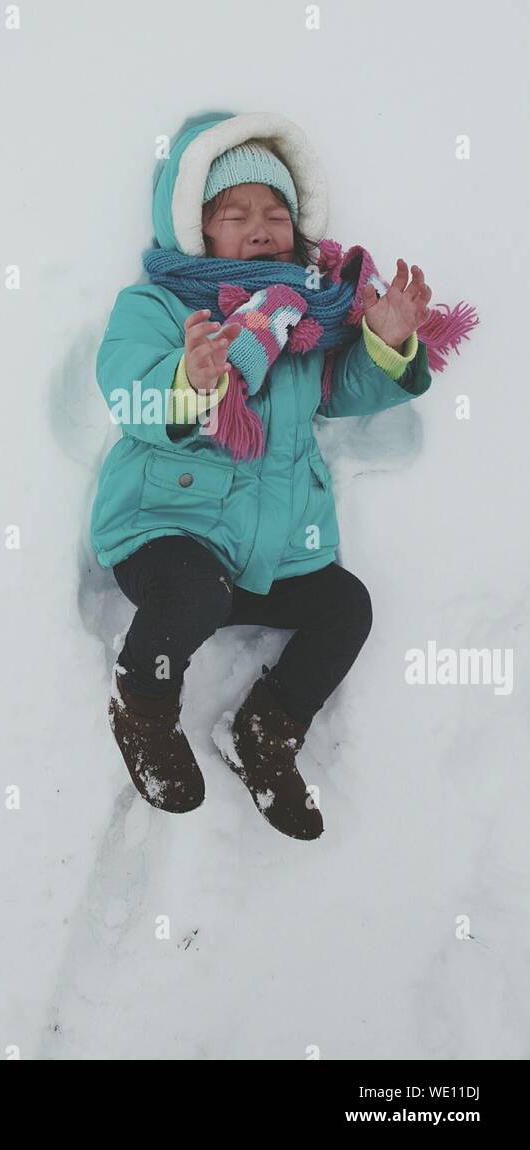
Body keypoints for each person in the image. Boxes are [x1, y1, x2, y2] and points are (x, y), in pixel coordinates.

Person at [90, 110, 433, 840]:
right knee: (193, 594)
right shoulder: (156, 305)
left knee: (346, 607)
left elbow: (338, 395)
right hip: (164, 529)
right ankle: (143, 707)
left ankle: (265, 733)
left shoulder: (301, 320)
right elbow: (128, 393)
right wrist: (190, 375)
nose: (259, 225)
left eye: (275, 213)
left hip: (269, 547)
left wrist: (385, 342)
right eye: (235, 212)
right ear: (197, 229)